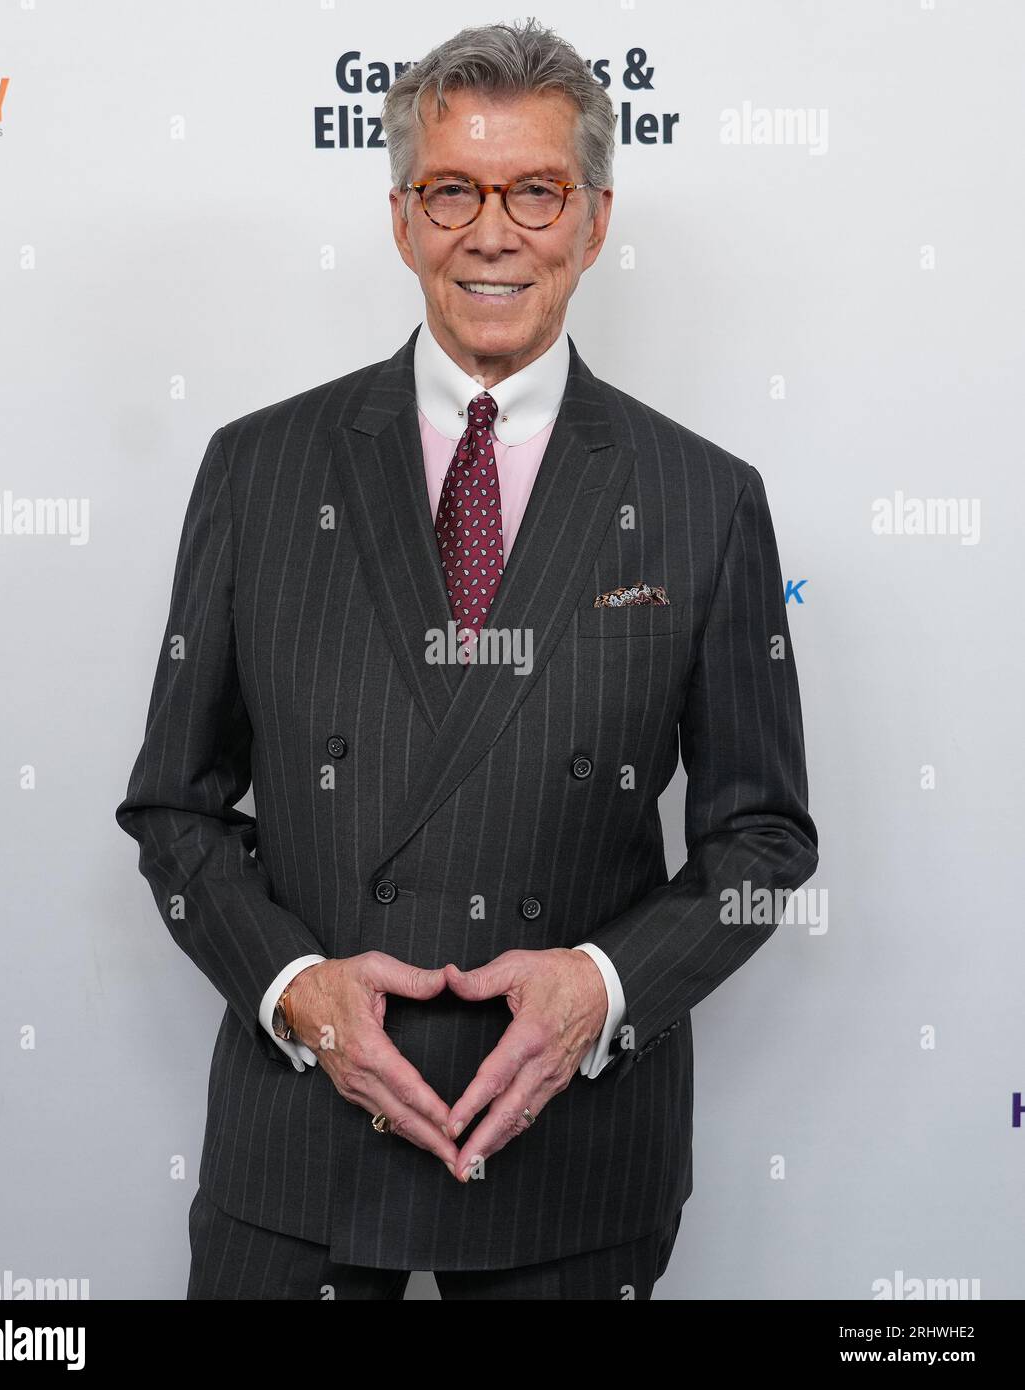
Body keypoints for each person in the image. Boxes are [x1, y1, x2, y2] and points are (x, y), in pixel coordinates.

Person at [116, 18, 818, 1300]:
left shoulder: (700, 497)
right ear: (400, 218)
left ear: (593, 220)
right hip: (301, 1151)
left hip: (568, 1155)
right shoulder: (260, 469)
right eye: (451, 190)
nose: (491, 232)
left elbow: (764, 847)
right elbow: (174, 806)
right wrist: (291, 989)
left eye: (534, 191)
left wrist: (601, 990)